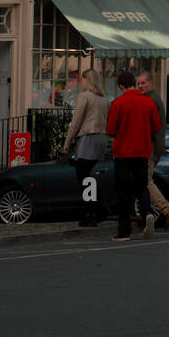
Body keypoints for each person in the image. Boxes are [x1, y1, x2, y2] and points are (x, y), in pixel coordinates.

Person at [106, 70, 161, 241]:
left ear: (121, 86)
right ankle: (147, 213)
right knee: (142, 186)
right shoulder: (148, 102)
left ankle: (124, 231)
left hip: (122, 153)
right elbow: (157, 126)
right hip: (142, 151)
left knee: (123, 192)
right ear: (134, 83)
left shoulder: (118, 103)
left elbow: (110, 130)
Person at [63, 69, 110, 227]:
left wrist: (67, 141)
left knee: (84, 177)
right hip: (101, 137)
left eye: (82, 80)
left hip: (88, 137)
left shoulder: (84, 97)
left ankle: (92, 211)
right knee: (88, 176)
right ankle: (96, 209)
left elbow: (76, 122)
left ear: (86, 80)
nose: (81, 83)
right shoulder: (104, 99)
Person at [136, 70, 169, 229]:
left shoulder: (151, 100)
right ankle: (144, 211)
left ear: (151, 83)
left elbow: (151, 127)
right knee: (143, 180)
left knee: (146, 181)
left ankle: (167, 209)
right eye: (138, 83)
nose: (140, 86)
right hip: (154, 146)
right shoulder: (151, 98)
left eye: (143, 83)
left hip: (150, 146)